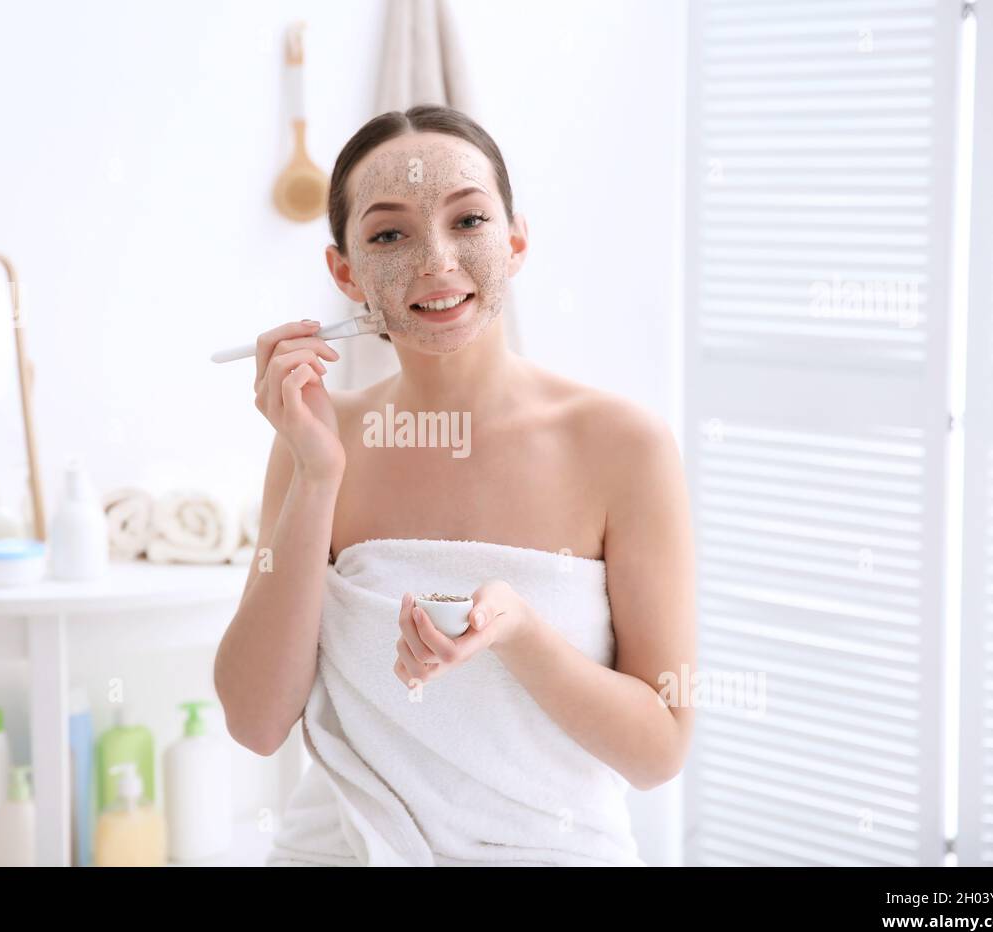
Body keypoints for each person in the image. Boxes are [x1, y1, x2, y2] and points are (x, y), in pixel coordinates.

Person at [215, 104, 696, 865]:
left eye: (468, 221)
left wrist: (520, 633)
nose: (435, 259)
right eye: (389, 234)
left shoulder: (623, 447)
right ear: (345, 272)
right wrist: (317, 478)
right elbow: (255, 720)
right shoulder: (318, 442)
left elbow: (659, 750)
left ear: (515, 241)